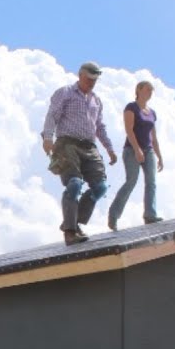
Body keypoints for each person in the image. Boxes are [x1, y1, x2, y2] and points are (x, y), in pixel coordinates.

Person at [41, 62, 118, 245]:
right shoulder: (65, 92)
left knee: (101, 187)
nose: (92, 82)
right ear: (80, 75)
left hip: (89, 147)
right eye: (89, 78)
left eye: (95, 80)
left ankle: (74, 222)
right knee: (74, 184)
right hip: (67, 143)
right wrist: (47, 137)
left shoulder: (96, 100)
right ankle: (70, 231)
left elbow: (100, 127)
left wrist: (109, 148)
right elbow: (52, 115)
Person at [107, 80, 164, 229]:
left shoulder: (152, 113)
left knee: (151, 182)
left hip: (149, 150)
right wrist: (137, 149)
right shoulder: (131, 107)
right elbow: (129, 130)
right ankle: (114, 214)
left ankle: (150, 215)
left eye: (151, 91)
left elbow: (154, 137)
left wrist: (160, 156)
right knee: (131, 181)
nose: (149, 93)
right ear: (138, 90)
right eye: (147, 90)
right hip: (132, 149)